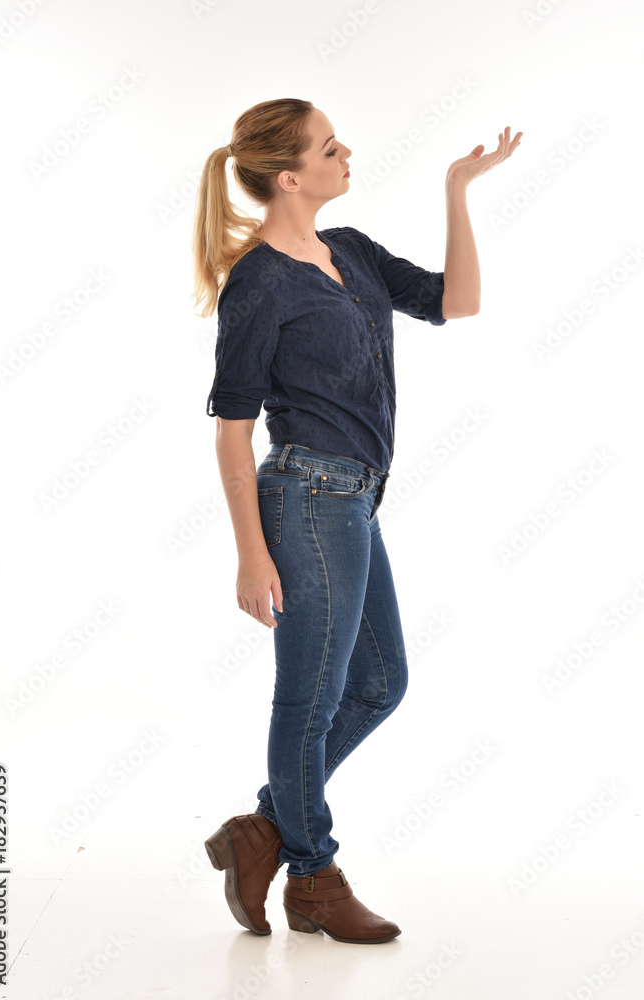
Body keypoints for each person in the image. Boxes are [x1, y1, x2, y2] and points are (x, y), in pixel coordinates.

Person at [193, 98, 522, 944]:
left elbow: (459, 301)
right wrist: (247, 554)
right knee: (308, 699)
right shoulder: (259, 283)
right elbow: (232, 427)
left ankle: (263, 829)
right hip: (301, 499)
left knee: (380, 683)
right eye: (329, 147)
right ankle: (313, 874)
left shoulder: (352, 251)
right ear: (288, 177)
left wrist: (458, 189)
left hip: (355, 499)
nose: (348, 154)